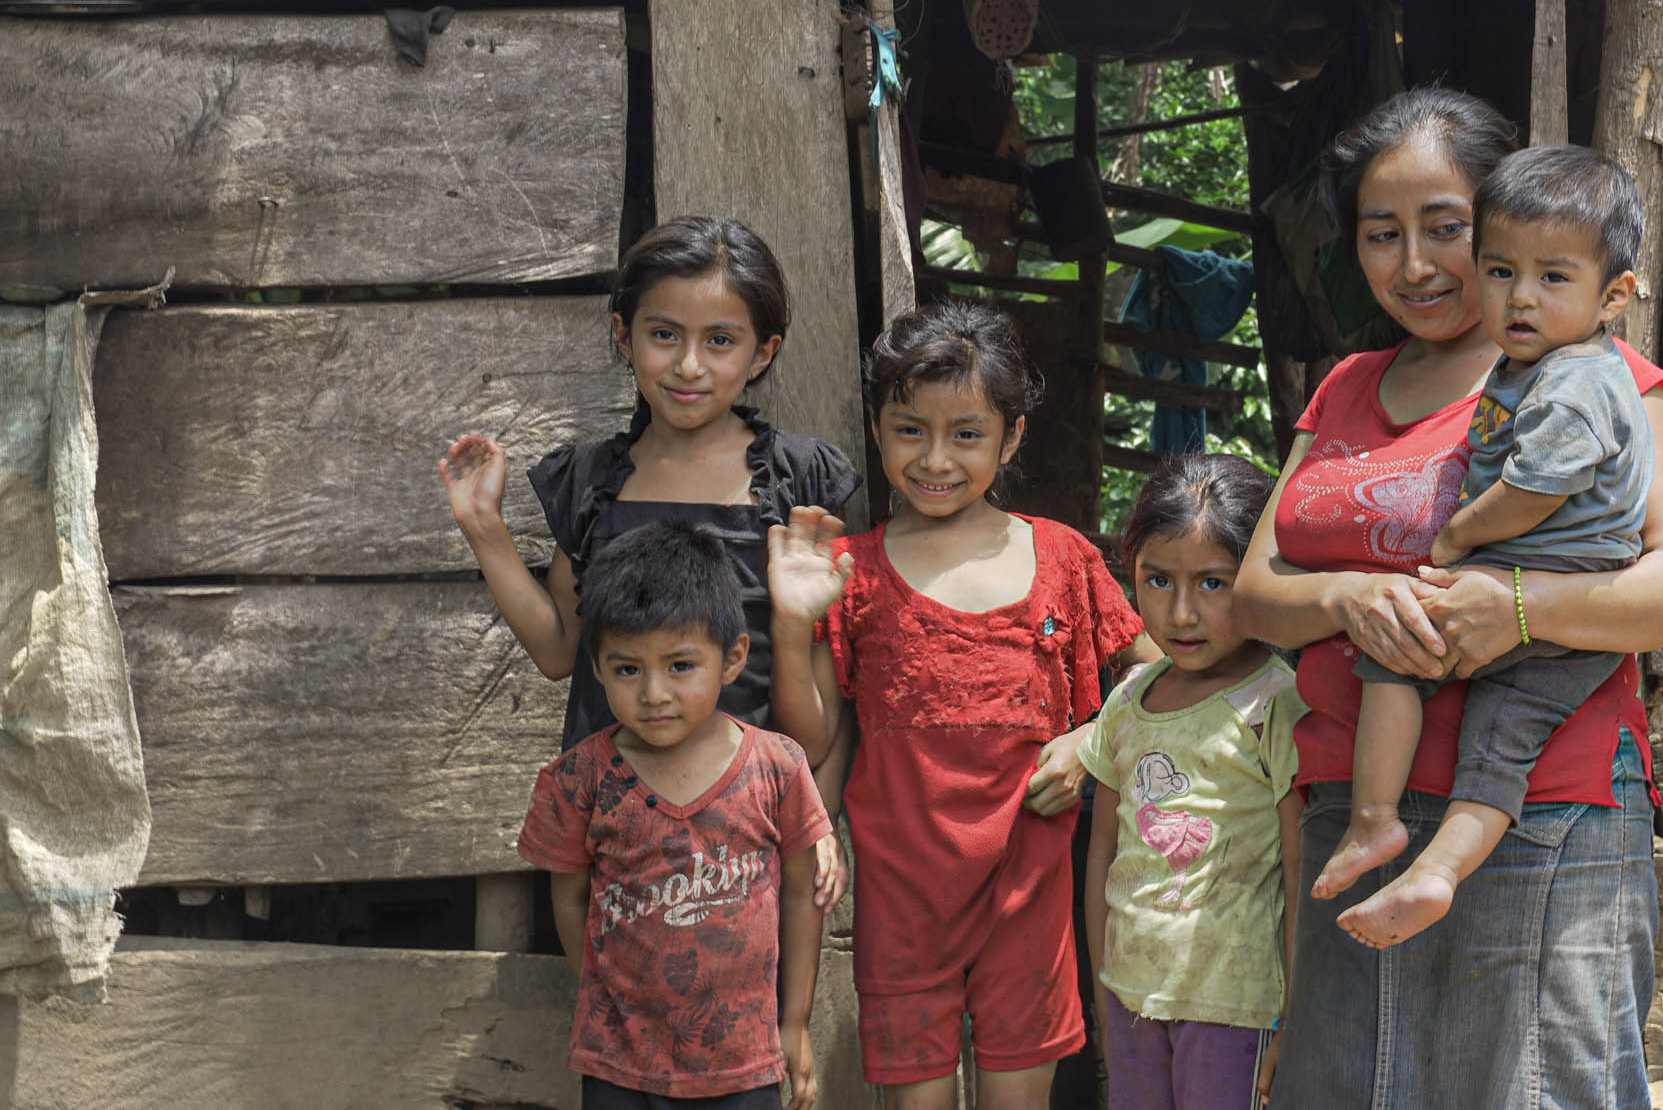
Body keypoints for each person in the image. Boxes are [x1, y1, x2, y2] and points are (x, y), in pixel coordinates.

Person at [1235, 88, 1663, 1109]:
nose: (1412, 265)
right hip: (1350, 811)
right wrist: (1345, 600)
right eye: (1381, 234)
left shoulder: (1599, 380)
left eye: (1445, 230)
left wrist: (1513, 608)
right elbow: (1254, 594)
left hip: (1537, 817)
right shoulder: (1344, 388)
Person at [765, 301, 1152, 1110]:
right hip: (903, 904)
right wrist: (794, 624)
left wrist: (1089, 743)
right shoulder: (852, 572)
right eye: (910, 430)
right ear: (877, 426)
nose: (935, 459)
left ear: (1011, 437)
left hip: (1028, 894)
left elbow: (1158, 675)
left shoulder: (1064, 558)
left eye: (966, 434)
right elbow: (818, 737)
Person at [437, 215, 859, 905]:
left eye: (720, 340)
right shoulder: (595, 482)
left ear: (762, 352)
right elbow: (559, 650)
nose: (689, 364)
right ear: (622, 335)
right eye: (664, 334)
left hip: (747, 833)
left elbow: (817, 726)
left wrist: (815, 816)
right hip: (620, 826)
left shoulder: (796, 484)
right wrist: (485, 528)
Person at [1317, 144, 1654, 948]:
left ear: (1615, 296)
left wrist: (1461, 533)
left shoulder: (1581, 380)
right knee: (1472, 718)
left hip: (1563, 598)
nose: (1521, 298)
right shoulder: (1526, 366)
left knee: (1438, 685)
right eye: (1501, 272)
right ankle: (1411, 851)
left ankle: (1396, 836)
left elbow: (1536, 490)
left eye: (1553, 278)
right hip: (1536, 598)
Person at [516, 519, 830, 1110]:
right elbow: (570, 898)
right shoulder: (582, 780)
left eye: (680, 666)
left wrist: (797, 1023)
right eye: (628, 669)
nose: (654, 693)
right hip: (619, 1063)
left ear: (732, 658)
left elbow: (799, 894)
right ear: (600, 667)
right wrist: (603, 993)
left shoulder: (778, 768)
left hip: (742, 1063)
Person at [1080, 454, 1305, 1110]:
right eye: (1157, 580)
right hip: (1129, 996)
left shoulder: (1277, 704)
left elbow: (1297, 867)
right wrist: (1104, 989)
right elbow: (1103, 856)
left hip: (1234, 1006)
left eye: (1213, 583)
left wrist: (1293, 1016)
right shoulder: (1128, 701)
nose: (1181, 612)